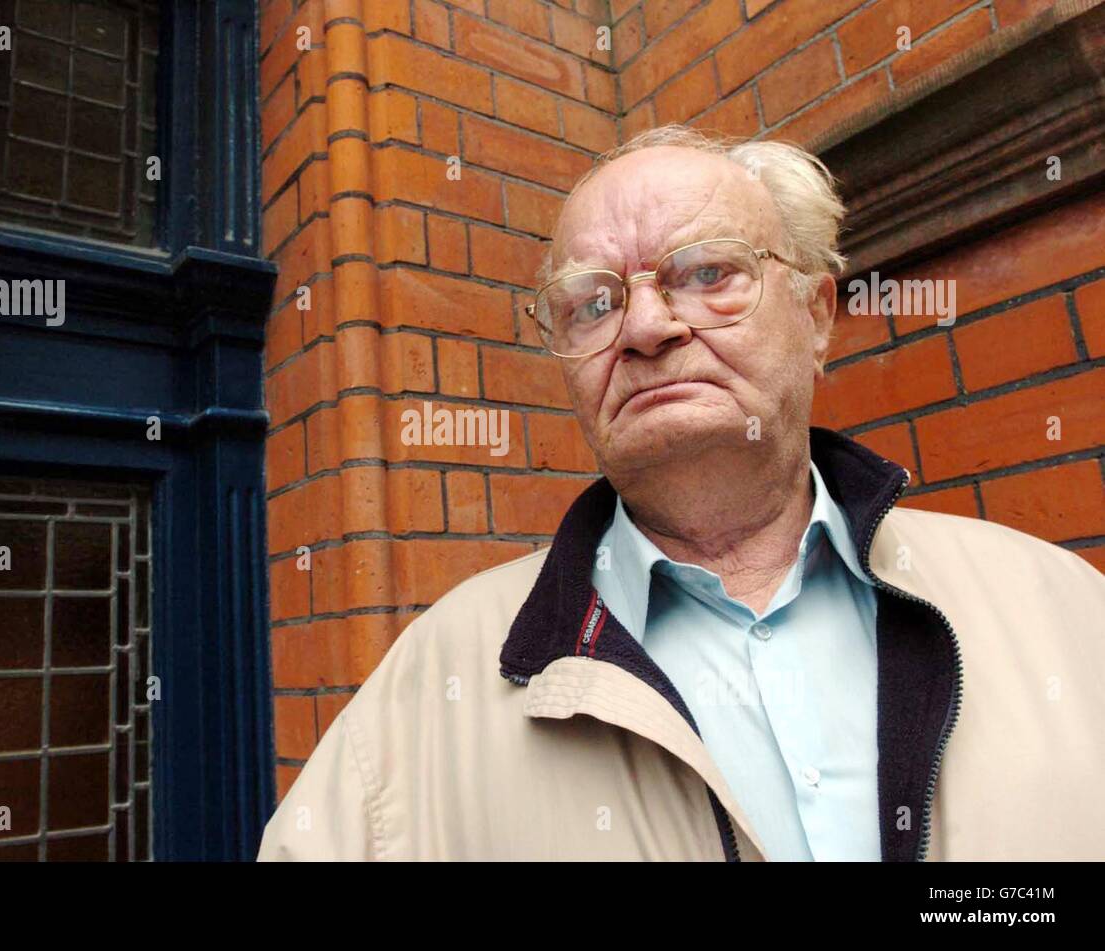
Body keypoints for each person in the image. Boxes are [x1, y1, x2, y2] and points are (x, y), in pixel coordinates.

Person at [257, 124, 1105, 861]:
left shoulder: (1063, 612)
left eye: (706, 272)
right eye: (592, 302)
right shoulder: (424, 694)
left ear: (815, 314)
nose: (648, 327)